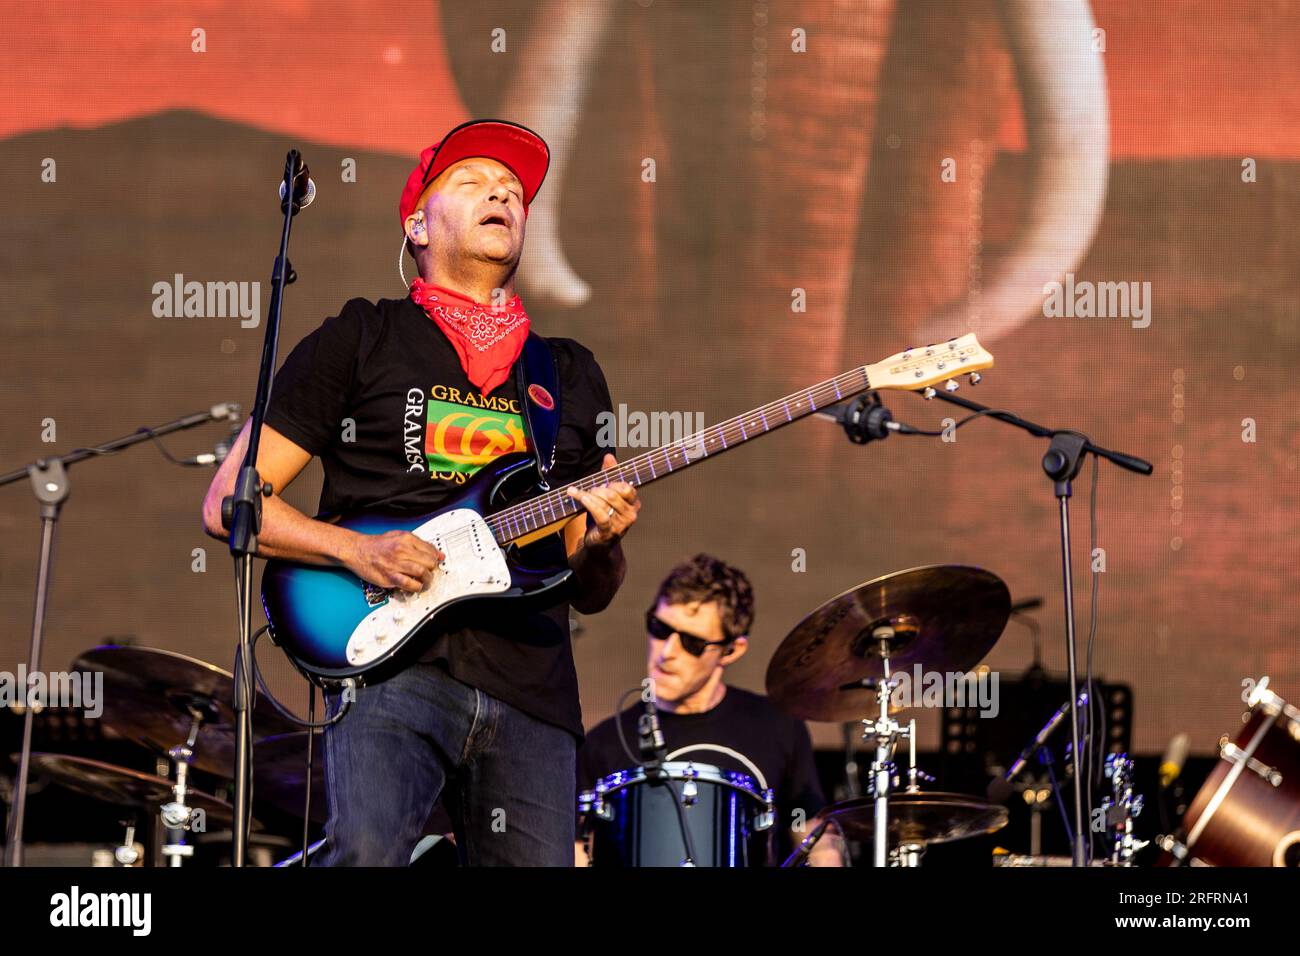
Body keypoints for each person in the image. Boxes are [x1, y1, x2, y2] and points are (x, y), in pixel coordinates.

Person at [202, 119, 640, 866]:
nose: (502, 193)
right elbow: (232, 505)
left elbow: (591, 585)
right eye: (472, 182)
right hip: (391, 668)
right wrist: (357, 550)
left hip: (534, 688)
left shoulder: (566, 372)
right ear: (416, 225)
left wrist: (600, 540)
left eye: (514, 191)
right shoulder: (361, 336)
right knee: (365, 857)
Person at [575, 554, 842, 866]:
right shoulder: (603, 744)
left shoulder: (779, 727)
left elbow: (817, 842)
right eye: (660, 628)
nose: (668, 653)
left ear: (732, 650)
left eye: (692, 642)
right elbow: (577, 852)